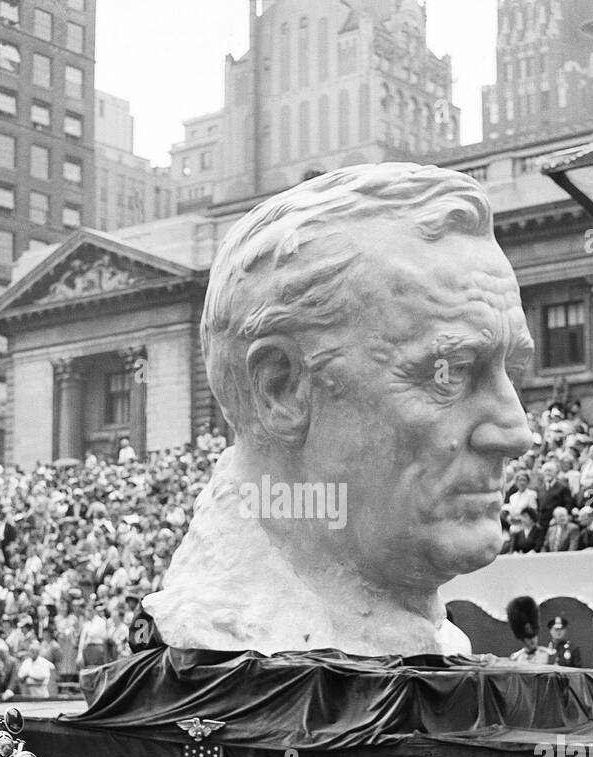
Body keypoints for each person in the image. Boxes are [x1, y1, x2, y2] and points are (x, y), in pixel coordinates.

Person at [141, 163, 533, 657]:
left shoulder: (432, 641)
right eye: (449, 372)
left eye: (510, 371)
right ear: (282, 390)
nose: (516, 433)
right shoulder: (221, 640)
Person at [507, 596, 553, 665]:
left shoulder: (549, 655)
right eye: (528, 638)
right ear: (522, 639)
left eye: (534, 636)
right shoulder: (515, 659)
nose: (532, 640)